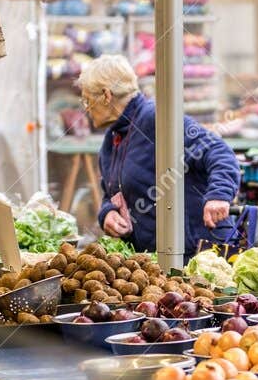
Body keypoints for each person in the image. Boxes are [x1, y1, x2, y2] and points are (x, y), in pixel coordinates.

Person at [79, 55, 240, 254]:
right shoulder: (111, 140)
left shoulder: (157, 119)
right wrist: (108, 213)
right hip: (154, 258)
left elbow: (219, 152)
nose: (86, 109)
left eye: (87, 100)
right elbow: (110, 194)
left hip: (197, 252)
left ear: (106, 95)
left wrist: (219, 194)